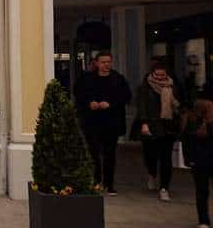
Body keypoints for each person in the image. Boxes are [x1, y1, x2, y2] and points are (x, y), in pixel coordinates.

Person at [74, 52, 132, 196]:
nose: (106, 65)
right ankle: (95, 182)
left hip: (111, 122)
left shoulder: (118, 79)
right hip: (92, 122)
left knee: (109, 154)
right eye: (103, 62)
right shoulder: (87, 79)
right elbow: (78, 94)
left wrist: (110, 104)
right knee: (93, 153)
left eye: (108, 62)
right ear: (97, 63)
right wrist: (89, 103)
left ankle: (109, 184)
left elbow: (126, 96)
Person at [136, 63, 181, 202]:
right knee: (150, 154)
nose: (161, 78)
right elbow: (142, 105)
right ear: (152, 74)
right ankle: (152, 173)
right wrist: (144, 124)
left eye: (163, 75)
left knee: (166, 158)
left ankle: (164, 188)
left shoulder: (173, 86)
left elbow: (180, 103)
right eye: (158, 75)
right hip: (151, 125)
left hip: (168, 126)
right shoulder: (145, 87)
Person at [182, 89, 213, 228]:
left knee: (201, 191)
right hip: (202, 160)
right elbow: (187, 141)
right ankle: (203, 220)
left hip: (198, 161)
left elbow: (186, 141)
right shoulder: (194, 121)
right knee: (202, 191)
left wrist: (189, 159)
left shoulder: (191, 120)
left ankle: (203, 221)